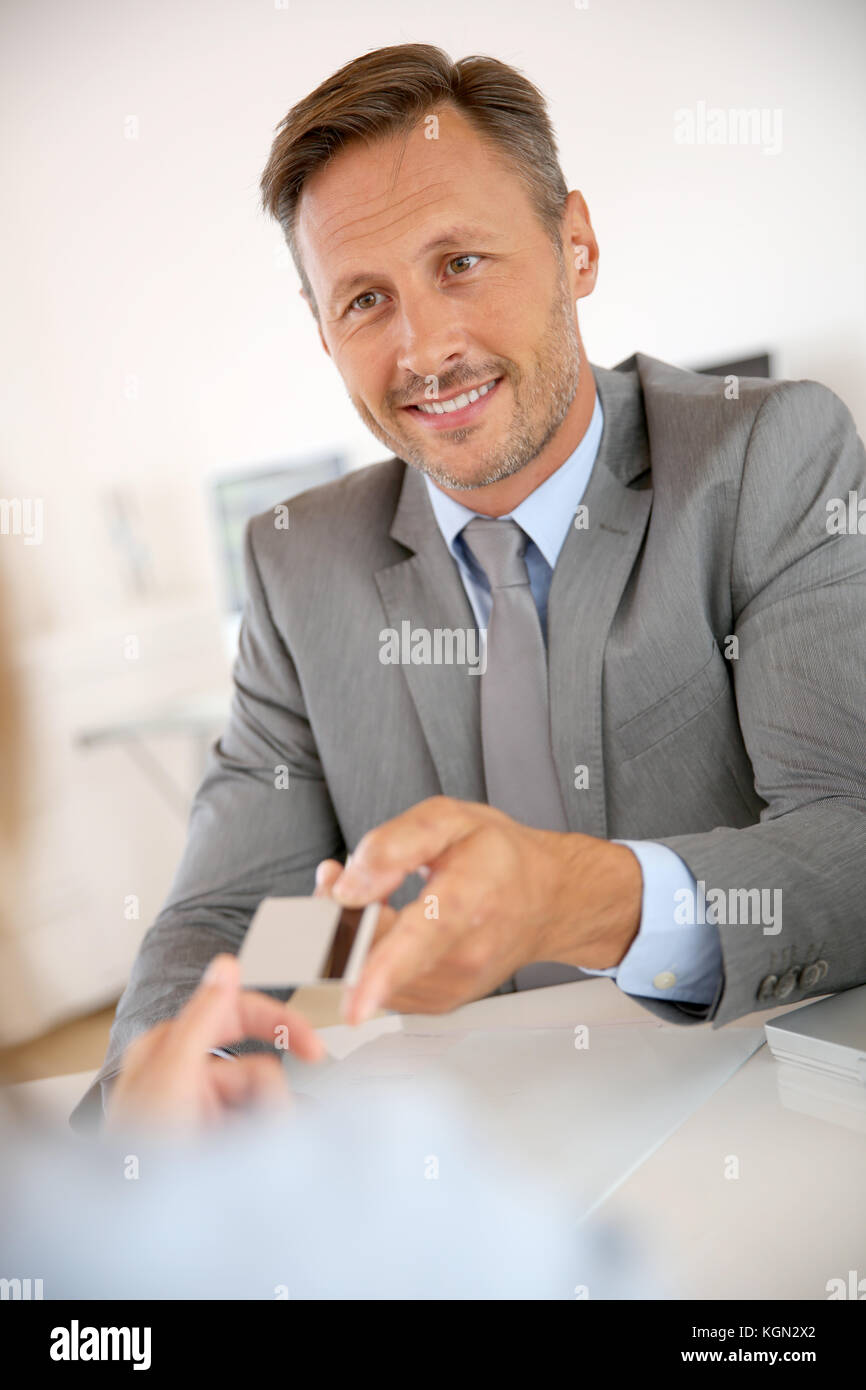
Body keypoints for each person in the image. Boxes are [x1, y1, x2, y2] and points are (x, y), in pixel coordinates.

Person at [73, 43, 866, 1134]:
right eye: (364, 299)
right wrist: (159, 1098)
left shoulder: (765, 459)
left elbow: (850, 838)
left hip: (768, 1098)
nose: (424, 348)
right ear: (324, 334)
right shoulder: (299, 564)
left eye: (459, 263)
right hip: (464, 1146)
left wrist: (571, 895)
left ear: (573, 245)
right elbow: (236, 914)